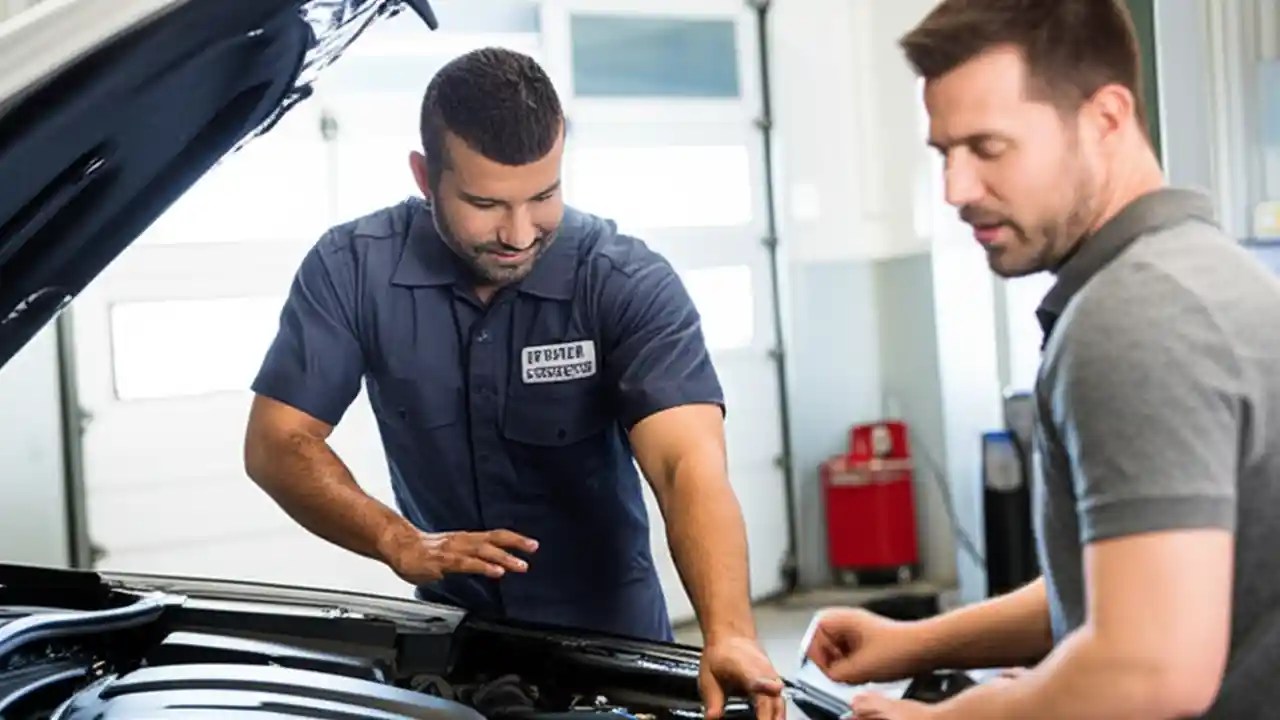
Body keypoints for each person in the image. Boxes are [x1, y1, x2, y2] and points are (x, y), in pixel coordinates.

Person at [243, 47, 784, 720]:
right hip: (457, 647)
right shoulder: (351, 270)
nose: (520, 233)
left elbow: (686, 467)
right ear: (424, 176)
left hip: (613, 645)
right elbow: (278, 441)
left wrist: (730, 630)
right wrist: (396, 539)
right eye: (485, 203)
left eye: (543, 195)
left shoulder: (624, 282)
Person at [803, 1, 1280, 718]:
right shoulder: (1192, 272)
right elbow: (1118, 581)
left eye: (988, 148)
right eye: (944, 153)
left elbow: (1147, 665)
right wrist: (917, 642)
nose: (956, 190)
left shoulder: (1136, 317)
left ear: (1106, 119)